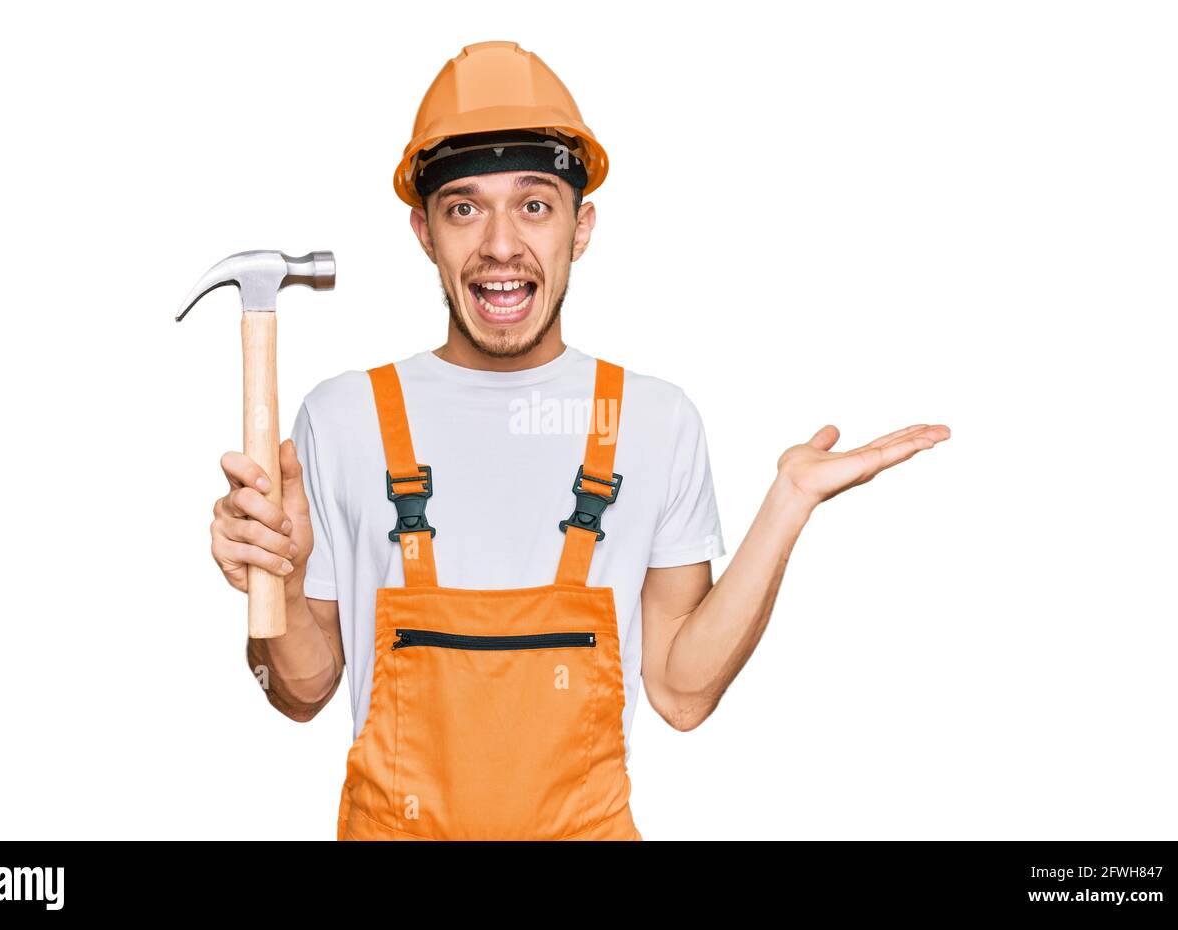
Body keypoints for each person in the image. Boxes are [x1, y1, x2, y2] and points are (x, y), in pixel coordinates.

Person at [206, 41, 950, 840]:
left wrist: (788, 507)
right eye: (463, 207)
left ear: (580, 225)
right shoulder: (343, 417)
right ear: (423, 231)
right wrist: (272, 582)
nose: (499, 245)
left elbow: (681, 692)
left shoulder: (652, 420)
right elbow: (302, 692)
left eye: (534, 204)